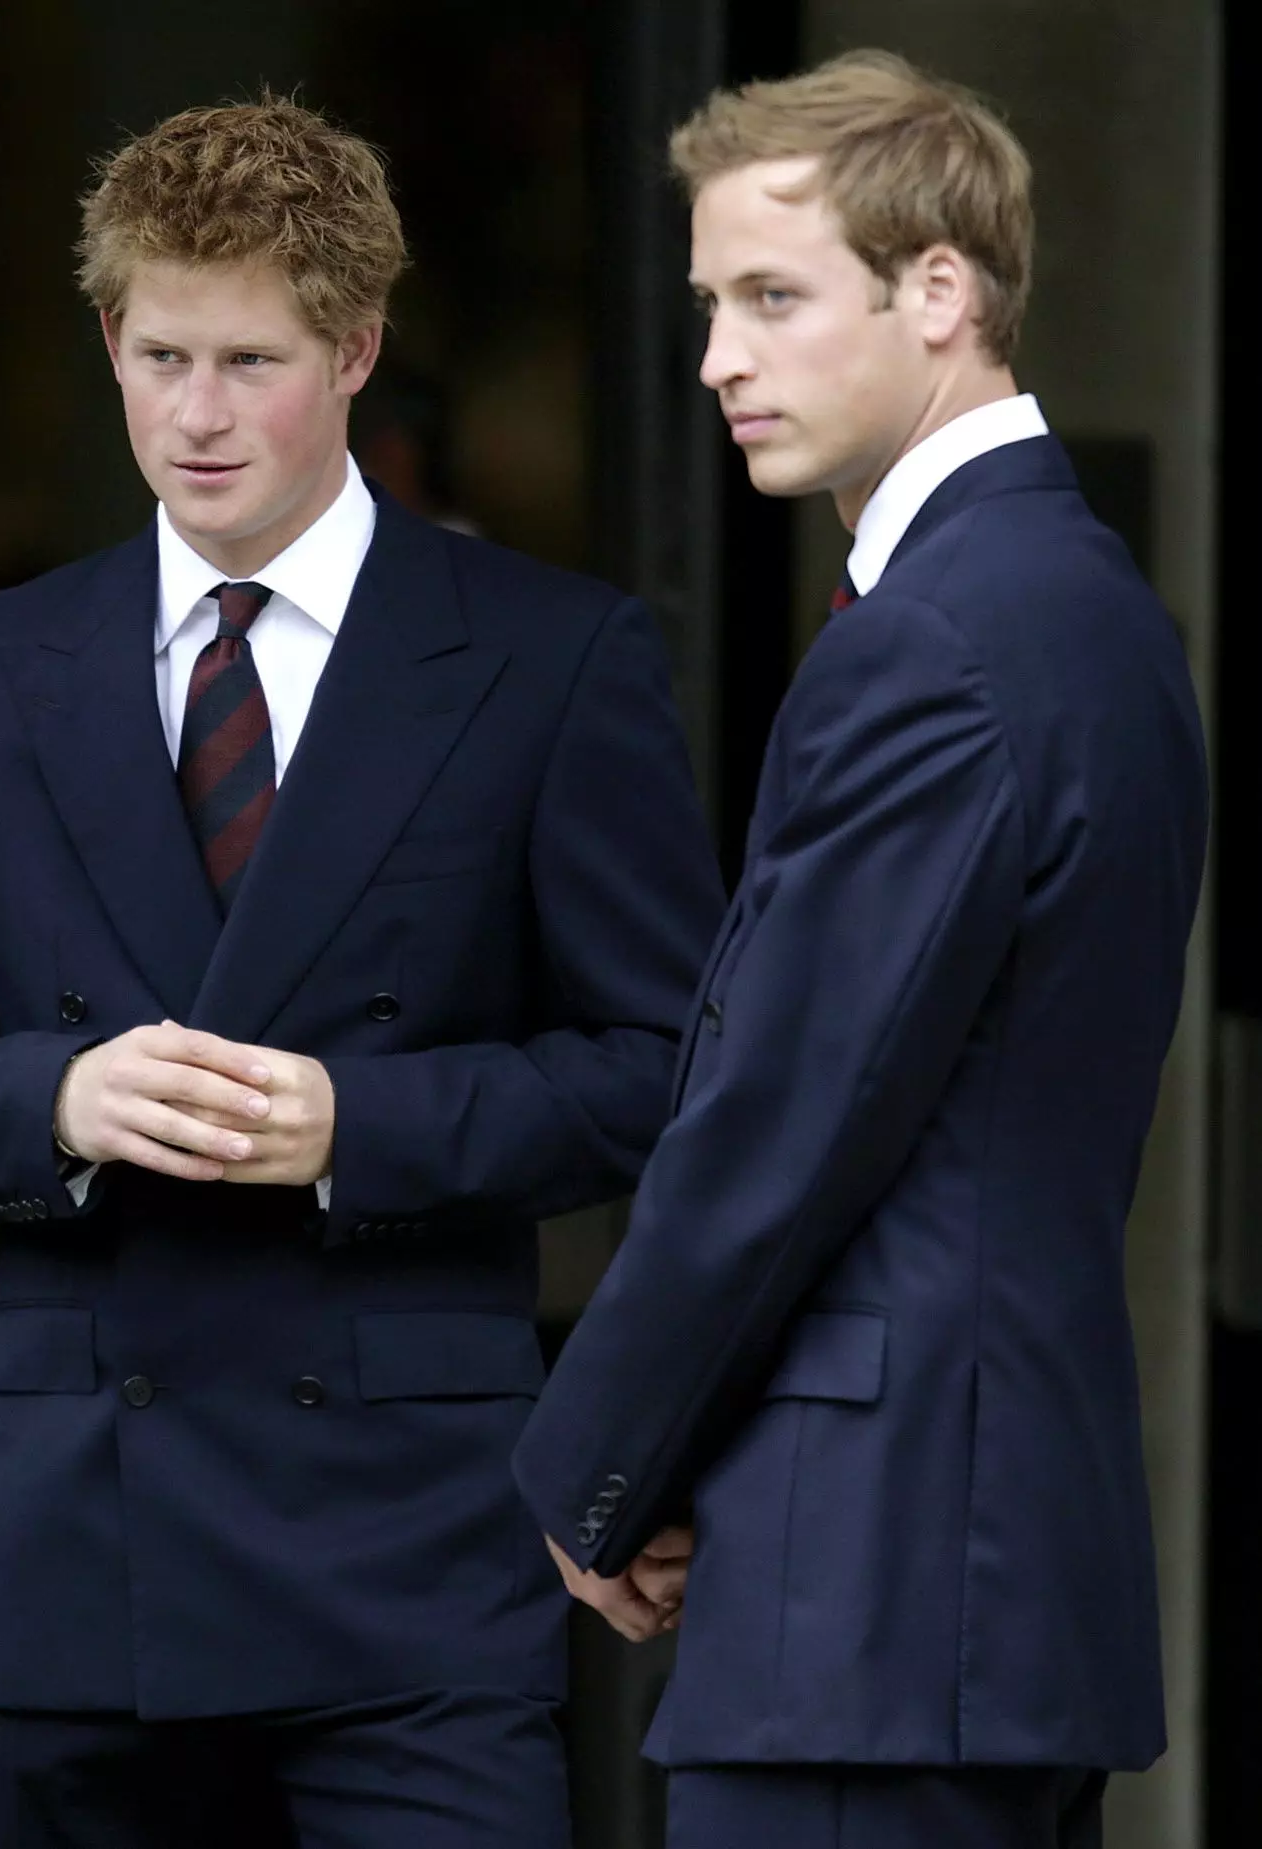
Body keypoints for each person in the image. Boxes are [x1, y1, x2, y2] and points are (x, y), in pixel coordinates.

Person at [0, 96, 723, 1848]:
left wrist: (354, 1126)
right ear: (108, 342)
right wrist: (53, 1099)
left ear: (358, 349)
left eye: (251, 360)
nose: (198, 414)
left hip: (417, 1560)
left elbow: (666, 1062)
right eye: (160, 355)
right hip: (83, 1558)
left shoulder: (547, 657)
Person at [513, 52, 1207, 1849]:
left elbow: (786, 1120)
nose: (718, 360)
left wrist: (593, 1475)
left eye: (770, 298)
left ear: (940, 294)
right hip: (973, 1587)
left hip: (873, 1593)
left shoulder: (942, 643)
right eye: (707, 305)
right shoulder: (1089, 611)